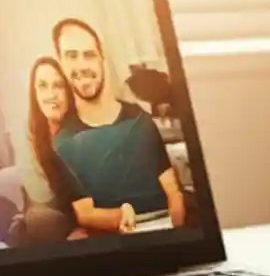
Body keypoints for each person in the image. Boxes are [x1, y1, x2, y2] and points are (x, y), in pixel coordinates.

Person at [50, 17, 186, 230]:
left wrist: (178, 227)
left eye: (89, 55)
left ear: (101, 59)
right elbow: (84, 214)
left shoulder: (139, 119)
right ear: (61, 64)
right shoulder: (64, 144)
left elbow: (172, 190)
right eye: (71, 56)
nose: (82, 65)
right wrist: (120, 217)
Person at [21, 56, 132, 238]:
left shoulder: (85, 131)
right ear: (34, 94)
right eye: (42, 86)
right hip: (59, 221)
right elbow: (42, 200)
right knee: (39, 219)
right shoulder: (32, 137)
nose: (51, 95)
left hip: (100, 216)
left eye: (58, 85)